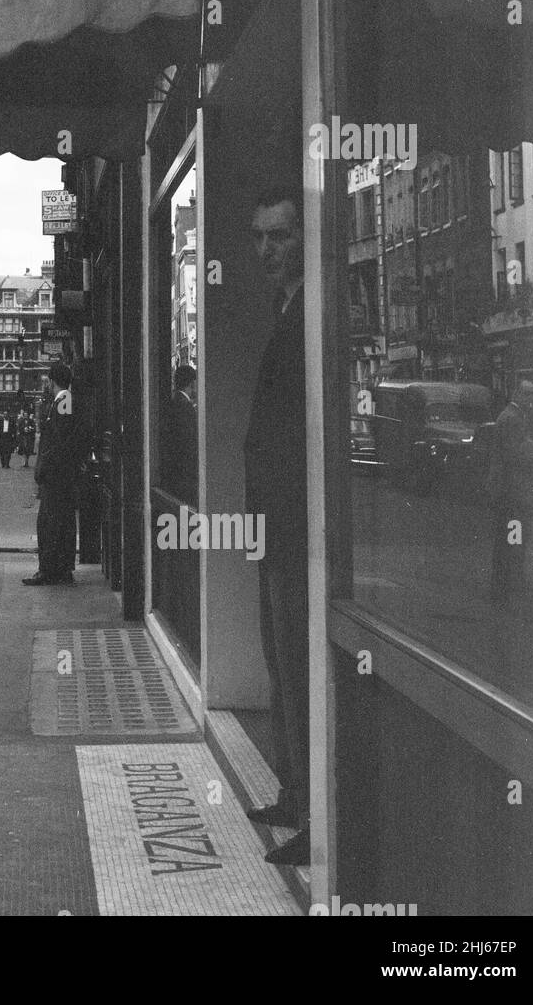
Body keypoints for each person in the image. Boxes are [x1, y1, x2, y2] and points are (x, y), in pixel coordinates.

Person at [243, 183, 309, 867]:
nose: (265, 249)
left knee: (298, 664)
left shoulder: (309, 311)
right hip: (272, 529)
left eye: (279, 237)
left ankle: (317, 816)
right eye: (258, 237)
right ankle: (294, 793)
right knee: (277, 661)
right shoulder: (281, 306)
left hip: (294, 529)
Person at [24, 362, 85, 585]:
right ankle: (62, 568)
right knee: (62, 523)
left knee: (50, 523)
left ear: (52, 380)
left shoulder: (64, 402)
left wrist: (47, 467)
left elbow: (61, 440)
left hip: (57, 477)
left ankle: (49, 570)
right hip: (63, 475)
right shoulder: (63, 402)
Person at [486, 380, 533, 604]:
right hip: (511, 492)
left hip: (506, 491)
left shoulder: (511, 415)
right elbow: (514, 452)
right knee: (513, 536)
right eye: (528, 394)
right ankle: (507, 584)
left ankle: (507, 582)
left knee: (510, 537)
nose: (531, 400)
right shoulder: (512, 418)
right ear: (518, 394)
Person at [161, 364, 199, 503]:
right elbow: (189, 442)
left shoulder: (174, 403)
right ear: (192, 383)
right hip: (185, 475)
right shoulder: (185, 407)